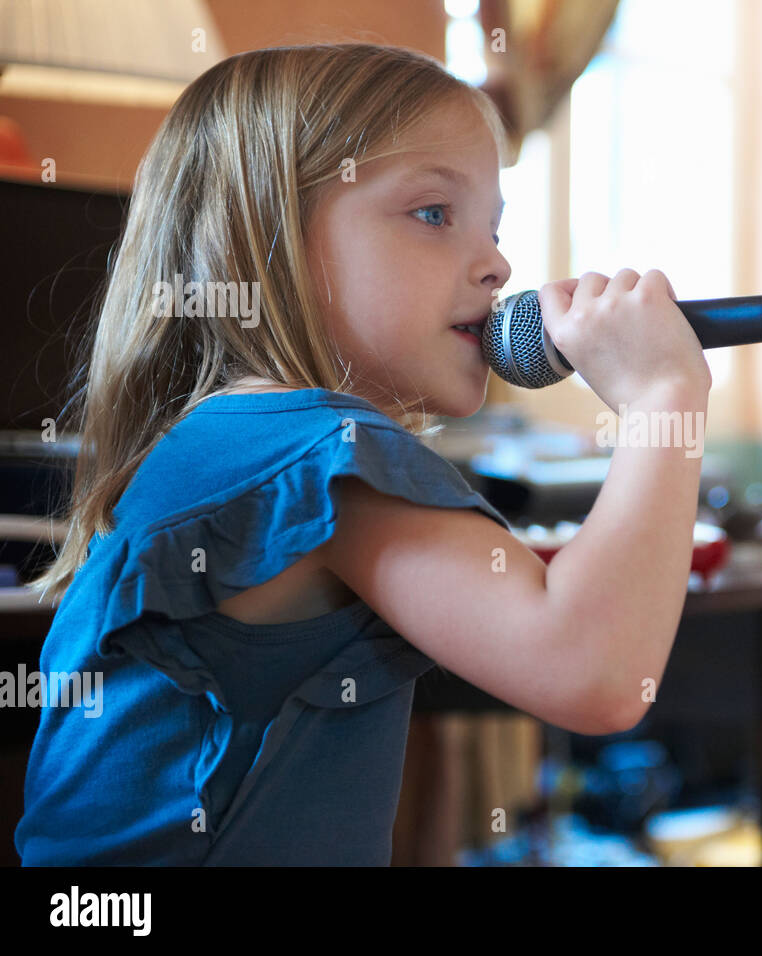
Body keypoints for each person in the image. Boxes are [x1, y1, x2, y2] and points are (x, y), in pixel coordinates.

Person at [14, 43, 710, 865]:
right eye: (432, 214)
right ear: (268, 240)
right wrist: (664, 398)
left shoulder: (227, 441)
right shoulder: (315, 451)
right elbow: (594, 673)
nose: (497, 264)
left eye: (493, 225)